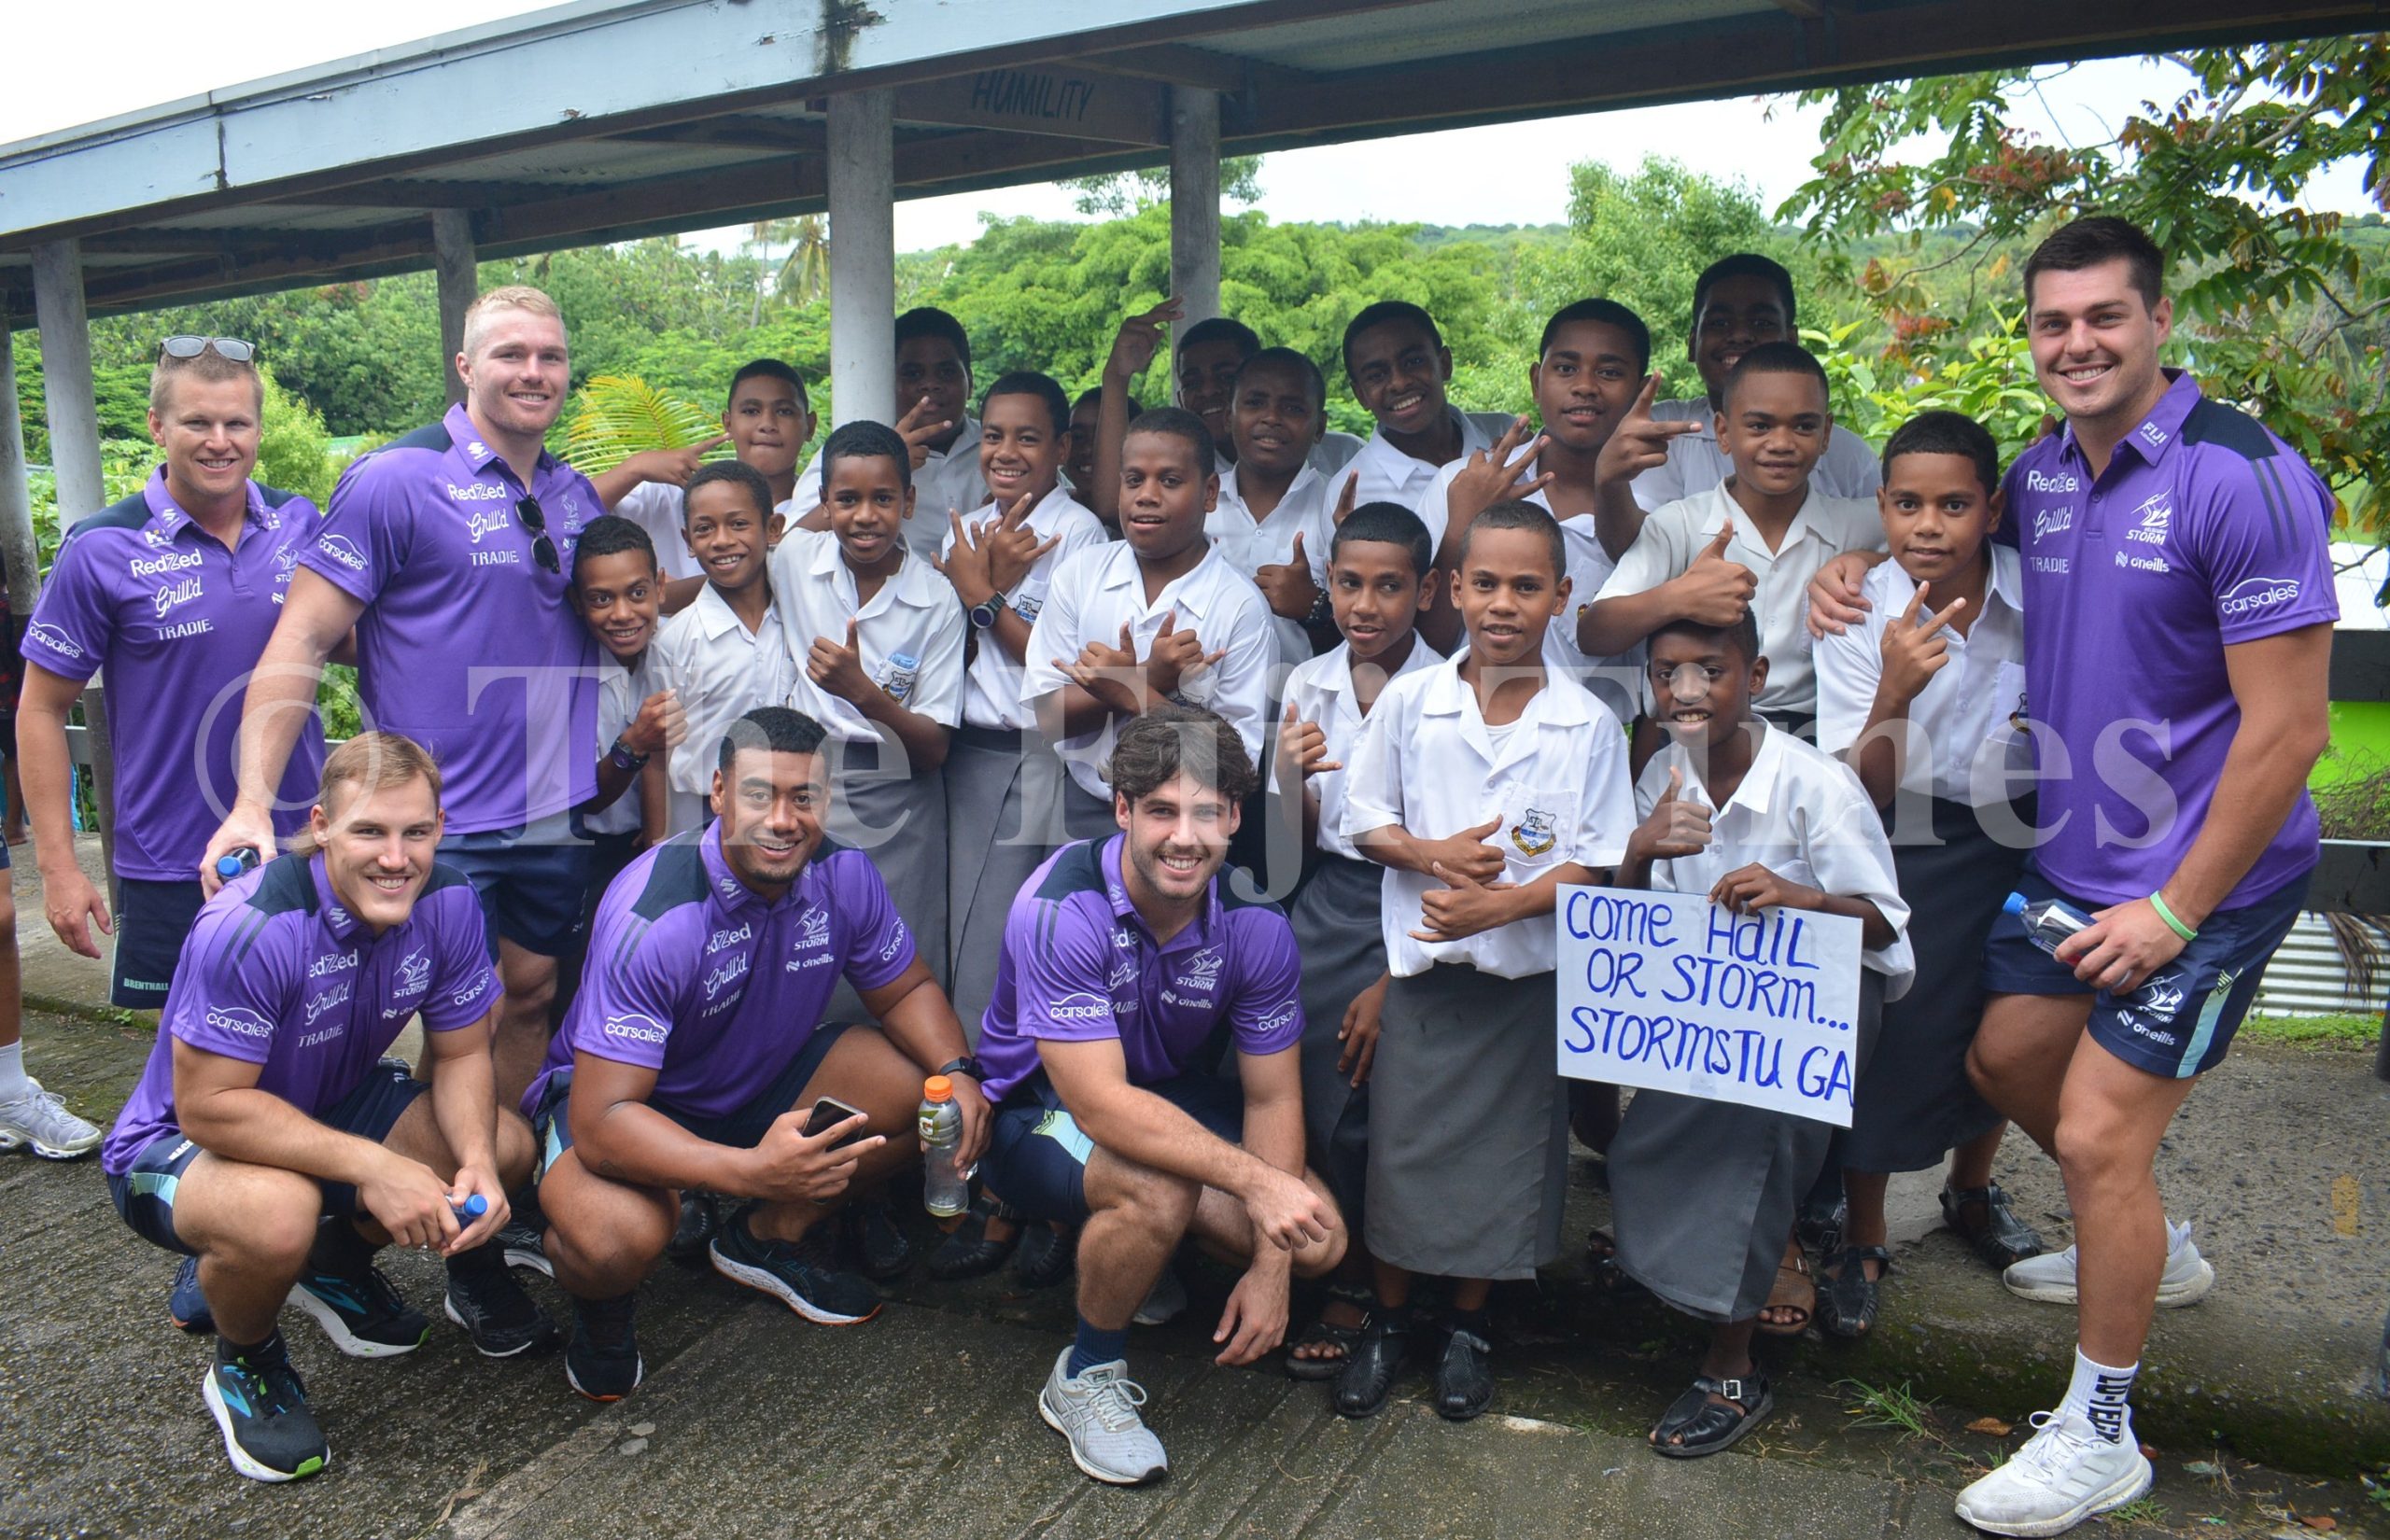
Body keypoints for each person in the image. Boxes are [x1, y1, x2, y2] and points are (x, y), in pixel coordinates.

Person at [1810, 217, 2336, 1537]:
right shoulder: (2043, 476)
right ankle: (2156, 1239)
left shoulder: (2244, 475)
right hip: (2071, 859)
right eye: (2053, 323)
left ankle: (2101, 1427)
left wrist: (2173, 913)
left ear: (2159, 320)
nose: (2078, 342)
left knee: (2098, 1130)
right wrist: (1854, 572)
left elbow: (2291, 731)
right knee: (2003, 1064)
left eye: (2105, 316)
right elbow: (1956, 549)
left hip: (2205, 874)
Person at [101, 733, 549, 1483]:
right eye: (369, 830)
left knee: (505, 1147)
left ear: (440, 828)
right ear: (320, 826)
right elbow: (209, 1108)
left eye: (415, 832)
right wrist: (374, 1166)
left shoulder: (450, 900)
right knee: (278, 1211)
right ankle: (247, 1360)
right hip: (179, 1140)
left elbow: (467, 1052)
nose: (395, 858)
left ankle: (332, 1265)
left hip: (332, 1100)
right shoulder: (250, 928)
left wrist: (472, 1159)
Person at [200, 285, 605, 1112]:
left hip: (558, 808)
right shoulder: (395, 479)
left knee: (529, 997)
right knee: (463, 1019)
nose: (533, 372)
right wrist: (248, 804)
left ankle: (502, 1182)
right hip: (436, 819)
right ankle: (412, 1193)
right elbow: (303, 639)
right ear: (465, 367)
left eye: (550, 356)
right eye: (510, 355)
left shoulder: (575, 496)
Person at [524, 707, 990, 1401]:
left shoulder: (845, 875)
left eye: (804, 797)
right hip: (632, 1110)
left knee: (923, 1099)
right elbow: (603, 1119)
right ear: (717, 793)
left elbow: (905, 991)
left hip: (759, 1091)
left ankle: (765, 1236)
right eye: (759, 795)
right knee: (612, 1239)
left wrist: (958, 1073)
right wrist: (750, 1170)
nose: (783, 819)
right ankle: (604, 1310)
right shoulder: (655, 915)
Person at [970, 705, 1344, 1486]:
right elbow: (1101, 1106)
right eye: (1162, 811)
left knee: (1319, 1242)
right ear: (1123, 811)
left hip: (1166, 1098)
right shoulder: (1059, 905)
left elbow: (1272, 1101)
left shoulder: (1255, 925)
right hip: (1042, 1109)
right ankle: (1086, 1375)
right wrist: (1254, 1182)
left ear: (1236, 817)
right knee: (1156, 1185)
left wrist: (1271, 1268)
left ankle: (1143, 1254)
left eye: (1207, 812)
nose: (1185, 837)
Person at [1335, 501, 1635, 1423]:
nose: (1504, 603)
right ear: (1455, 588)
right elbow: (1359, 817)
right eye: (1488, 583)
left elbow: (1600, 854)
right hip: (1427, 981)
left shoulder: (1587, 724)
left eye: (1527, 586)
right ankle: (1389, 1321)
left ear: (1561, 596)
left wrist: (1504, 902)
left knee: (1509, 1160)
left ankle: (1469, 1323)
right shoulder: (1409, 706)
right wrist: (1430, 856)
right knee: (1403, 1156)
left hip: (1523, 982)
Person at [1608, 611, 1910, 1458]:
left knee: (1749, 1137)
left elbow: (1885, 927)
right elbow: (1628, 924)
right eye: (1667, 673)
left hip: (1821, 1007)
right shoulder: (1663, 774)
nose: (1688, 690)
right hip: (1707, 1007)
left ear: (1758, 676)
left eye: (1711, 670)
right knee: (1645, 1148)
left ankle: (1731, 1366)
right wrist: (1637, 851)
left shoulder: (1817, 784)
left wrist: (1802, 895)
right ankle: (1715, 1271)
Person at [1809, 411, 2043, 1338]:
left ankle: (1971, 1190)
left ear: (1991, 508)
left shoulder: (2042, 594)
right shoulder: (1859, 607)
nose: (1929, 526)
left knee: (2008, 1010)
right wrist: (1893, 689)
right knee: (1893, 1026)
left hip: (2026, 829)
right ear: (1882, 508)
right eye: (1906, 504)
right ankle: (1862, 1232)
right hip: (1897, 828)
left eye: (1953, 504)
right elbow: (1854, 788)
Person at [21, 335, 327, 1019]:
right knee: (186, 1077)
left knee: (310, 1049)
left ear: (258, 429)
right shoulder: (102, 548)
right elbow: (40, 710)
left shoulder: (301, 523)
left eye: (237, 423)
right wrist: (59, 868)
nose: (219, 442)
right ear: (158, 427)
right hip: (170, 861)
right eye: (197, 423)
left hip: (303, 842)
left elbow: (367, 640)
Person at [1272, 502, 1441, 1379]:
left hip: (1414, 906)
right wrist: (1291, 778)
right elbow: (1292, 849)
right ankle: (1316, 1251)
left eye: (1388, 585)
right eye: (1347, 583)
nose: (1365, 605)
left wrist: (1396, 974)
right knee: (1299, 1076)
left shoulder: (1450, 693)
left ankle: (1379, 1284)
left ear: (1426, 589)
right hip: (1328, 898)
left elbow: (1444, 852)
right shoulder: (1308, 683)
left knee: (1381, 1095)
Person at [1582, 342, 1882, 730]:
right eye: (1760, 426)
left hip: (1816, 740)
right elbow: (1594, 631)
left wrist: (1867, 560)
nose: (1781, 443)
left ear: (1826, 434)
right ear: (1723, 431)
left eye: (1804, 426)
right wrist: (1678, 598)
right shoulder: (1682, 524)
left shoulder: (1863, 525)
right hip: (1696, 735)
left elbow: (1952, 554)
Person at [935, 373, 1109, 1035]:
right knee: (979, 923)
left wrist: (986, 597)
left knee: (1049, 927)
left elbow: (1065, 664)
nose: (1006, 452)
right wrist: (979, 585)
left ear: (1062, 447)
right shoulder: (966, 532)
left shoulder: (1082, 535)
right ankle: (977, 1082)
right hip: (977, 754)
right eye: (993, 436)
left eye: (1028, 438)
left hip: (1055, 754)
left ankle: (1043, 1085)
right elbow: (937, 653)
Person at [773, 420, 965, 1015]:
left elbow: (933, 748)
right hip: (808, 785)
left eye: (883, 498)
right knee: (806, 952)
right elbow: (728, 558)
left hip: (900, 794)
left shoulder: (936, 598)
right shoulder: (793, 560)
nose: (864, 516)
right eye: (847, 499)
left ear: (909, 501)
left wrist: (863, 692)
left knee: (899, 956)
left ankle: (911, 1096)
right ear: (824, 505)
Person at [1023, 408, 1277, 842]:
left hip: (1190, 822)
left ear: (1210, 493)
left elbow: (1236, 764)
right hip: (1085, 810)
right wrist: (1146, 679)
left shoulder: (1240, 608)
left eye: (1171, 481)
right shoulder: (1082, 575)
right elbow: (1046, 717)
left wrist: (1132, 690)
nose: (1147, 495)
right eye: (1134, 479)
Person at [1414, 298, 1657, 716]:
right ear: (1535, 380)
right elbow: (1423, 639)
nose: (1585, 385)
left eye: (1610, 372)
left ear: (1639, 391)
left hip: (1594, 745)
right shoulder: (1462, 482)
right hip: (1462, 733)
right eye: (1565, 368)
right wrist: (1462, 525)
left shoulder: (1659, 505)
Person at [1632, 254, 1881, 512]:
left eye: (1762, 323)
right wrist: (1609, 481)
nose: (1740, 335)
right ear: (1692, 344)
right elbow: (1640, 542)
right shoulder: (1662, 433)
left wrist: (1866, 556)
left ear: (1791, 341)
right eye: (1719, 323)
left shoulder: (1851, 458)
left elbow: (1889, 541)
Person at [1088, 301, 1362, 526]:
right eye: (1192, 382)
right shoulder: (1182, 461)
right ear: (1181, 399)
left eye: (1225, 376)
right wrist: (1117, 376)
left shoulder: (1344, 456)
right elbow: (1115, 506)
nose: (1208, 391)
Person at [651, 461, 794, 836]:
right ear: (688, 541)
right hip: (699, 816)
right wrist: (657, 842)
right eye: (705, 528)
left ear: (773, 529)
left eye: (739, 524)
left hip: (786, 812)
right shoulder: (675, 640)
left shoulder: (800, 618)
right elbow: (657, 748)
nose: (722, 540)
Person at [594, 358, 816, 581]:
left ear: (810, 426)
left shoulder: (820, 506)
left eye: (785, 411)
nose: (767, 424)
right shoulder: (675, 494)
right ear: (728, 423)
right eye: (751, 411)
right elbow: (569, 513)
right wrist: (636, 467)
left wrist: (666, 595)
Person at [788, 308, 987, 554]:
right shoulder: (847, 452)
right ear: (888, 383)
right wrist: (888, 462)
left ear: (970, 383)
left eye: (946, 372)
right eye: (912, 374)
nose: (930, 384)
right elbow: (791, 545)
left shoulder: (995, 447)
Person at [1205, 347, 1348, 667]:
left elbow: (1372, 635)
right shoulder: (1198, 506)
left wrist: (1315, 606)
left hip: (1304, 708)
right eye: (1255, 403)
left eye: (1293, 408)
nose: (1271, 418)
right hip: (1201, 706)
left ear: (1320, 426)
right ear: (1229, 417)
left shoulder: (1337, 510)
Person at [1340, 301, 1514, 511]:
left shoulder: (1506, 433)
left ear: (1445, 364)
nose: (1399, 383)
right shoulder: (1350, 494)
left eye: (1413, 362)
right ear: (1360, 395)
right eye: (1376, 375)